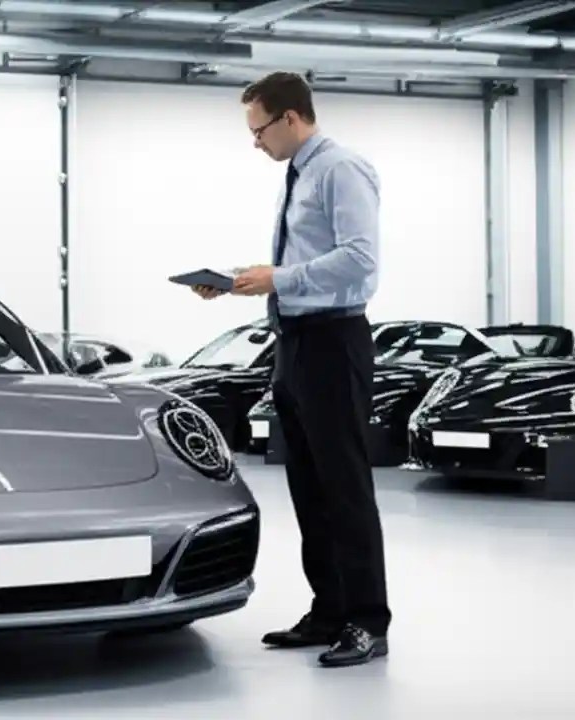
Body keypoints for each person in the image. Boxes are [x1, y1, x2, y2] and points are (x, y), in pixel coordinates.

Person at [193, 71, 391, 668]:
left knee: (345, 487)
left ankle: (367, 620)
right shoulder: (296, 174)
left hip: (334, 341)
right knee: (308, 484)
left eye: (258, 131)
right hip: (295, 341)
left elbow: (360, 260)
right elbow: (306, 260)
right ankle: (329, 609)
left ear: (289, 118)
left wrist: (278, 278)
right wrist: (242, 284)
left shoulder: (340, 169)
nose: (255, 143)